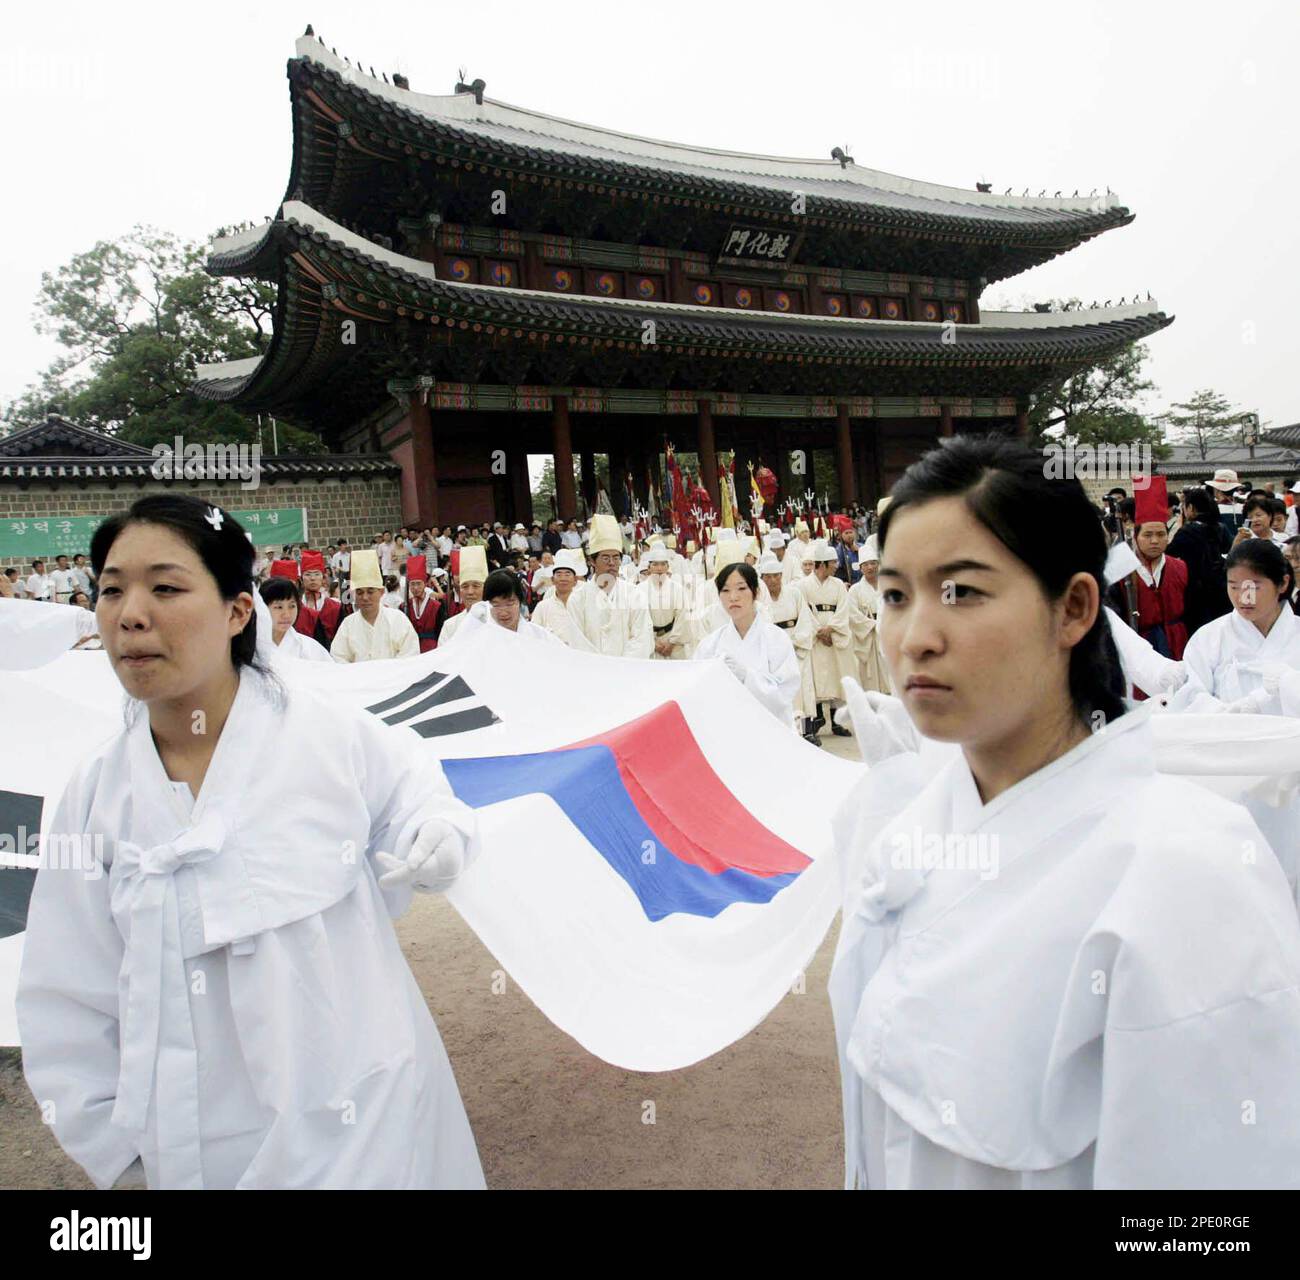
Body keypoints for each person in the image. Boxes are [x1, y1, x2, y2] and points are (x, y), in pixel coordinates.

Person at [828, 434, 1300, 1190]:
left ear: (1075, 607)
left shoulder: (1183, 871)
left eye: (962, 592)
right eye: (893, 595)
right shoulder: (898, 837)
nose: (915, 637)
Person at [17, 494, 484, 1189]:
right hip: (192, 1150)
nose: (130, 614)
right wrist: (118, 1158)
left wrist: (438, 834)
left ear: (239, 611)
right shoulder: (97, 797)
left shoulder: (328, 741)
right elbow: (66, 993)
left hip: (363, 1124)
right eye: (111, 590)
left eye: (166, 587)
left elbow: (417, 794)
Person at [693, 561, 801, 725]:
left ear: (755, 592)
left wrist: (747, 677)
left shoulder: (776, 639)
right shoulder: (710, 645)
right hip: (727, 730)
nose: (733, 597)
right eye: (725, 590)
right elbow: (700, 693)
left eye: (741, 588)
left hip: (770, 730)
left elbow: (785, 691)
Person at [1114, 477, 1188, 680]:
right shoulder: (1121, 570)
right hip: (1138, 646)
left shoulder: (1180, 567)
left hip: (1177, 643)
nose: (1155, 541)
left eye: (1160, 534)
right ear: (1136, 536)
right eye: (1147, 535)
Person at [795, 540, 856, 737]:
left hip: (833, 633)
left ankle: (837, 721)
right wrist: (818, 631)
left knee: (836, 675)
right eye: (832, 562)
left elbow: (844, 608)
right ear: (822, 564)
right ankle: (818, 716)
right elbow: (803, 610)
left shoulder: (838, 584)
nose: (836, 565)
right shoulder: (802, 585)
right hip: (815, 635)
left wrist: (831, 628)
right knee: (817, 676)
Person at [570, 514, 653, 657]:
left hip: (627, 671)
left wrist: (620, 667)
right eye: (605, 557)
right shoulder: (578, 598)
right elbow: (577, 641)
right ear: (592, 561)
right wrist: (602, 668)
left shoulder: (634, 594)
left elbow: (642, 637)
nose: (612, 563)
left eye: (616, 557)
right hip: (592, 672)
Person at [759, 551, 817, 737]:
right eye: (768, 577)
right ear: (763, 578)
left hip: (796, 644)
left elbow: (805, 619)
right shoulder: (759, 601)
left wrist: (795, 642)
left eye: (776, 576)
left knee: (801, 688)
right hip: (773, 651)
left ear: (781, 576)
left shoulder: (794, 593)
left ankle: (807, 730)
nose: (773, 580)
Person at [331, 549, 420, 662]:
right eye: (360, 592)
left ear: (381, 592)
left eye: (370, 591)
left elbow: (410, 653)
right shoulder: (348, 624)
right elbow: (338, 657)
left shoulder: (398, 619)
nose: (365, 597)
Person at [1167, 487, 1230, 636]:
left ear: (1190, 508)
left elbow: (1169, 553)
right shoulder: (1220, 528)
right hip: (1220, 587)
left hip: (1195, 591)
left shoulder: (1188, 531)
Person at [846, 536, 892, 695]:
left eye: (873, 563)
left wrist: (884, 623)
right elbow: (852, 615)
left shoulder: (888, 585)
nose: (870, 567)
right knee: (869, 677)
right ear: (860, 567)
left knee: (889, 673)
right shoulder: (855, 590)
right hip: (867, 637)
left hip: (886, 632)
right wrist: (872, 625)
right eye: (866, 565)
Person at [531, 549, 595, 649]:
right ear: (552, 580)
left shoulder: (584, 605)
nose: (563, 578)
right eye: (559, 574)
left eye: (567, 574)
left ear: (575, 580)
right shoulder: (543, 606)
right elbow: (534, 634)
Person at [636, 544, 691, 660]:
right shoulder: (640, 589)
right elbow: (638, 619)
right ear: (649, 567)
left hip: (674, 641)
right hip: (650, 641)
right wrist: (653, 642)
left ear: (668, 567)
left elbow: (683, 617)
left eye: (663, 564)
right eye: (655, 564)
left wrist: (672, 642)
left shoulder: (677, 588)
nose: (659, 568)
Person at [259, 576, 332, 662]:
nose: (286, 614)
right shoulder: (250, 646)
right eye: (278, 607)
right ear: (262, 608)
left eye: (292, 606)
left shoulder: (310, 648)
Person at [435, 545, 489, 647]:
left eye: (476, 585)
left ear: (485, 587)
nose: (470, 592)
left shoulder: (498, 621)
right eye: (465, 586)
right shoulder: (450, 626)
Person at [296, 550, 345, 649]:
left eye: (317, 574)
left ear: (323, 578)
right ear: (301, 579)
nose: (312, 578)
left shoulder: (335, 607)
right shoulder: (295, 608)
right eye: (308, 574)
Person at [403, 555, 441, 653]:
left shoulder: (437, 606)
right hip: (411, 649)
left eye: (418, 584)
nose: (415, 588)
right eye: (412, 584)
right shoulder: (404, 606)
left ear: (425, 584)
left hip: (432, 650)